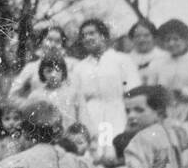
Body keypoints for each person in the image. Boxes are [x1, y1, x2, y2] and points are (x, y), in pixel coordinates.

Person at [71, 18, 138, 150]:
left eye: (92, 33)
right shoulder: (79, 68)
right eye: (84, 36)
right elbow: (76, 100)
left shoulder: (122, 60)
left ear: (103, 35)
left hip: (118, 115)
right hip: (91, 118)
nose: (87, 38)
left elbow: (134, 91)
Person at [16, 50, 82, 127]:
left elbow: (82, 118)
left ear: (63, 72)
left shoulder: (73, 93)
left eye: (57, 70)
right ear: (42, 73)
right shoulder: (35, 95)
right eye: (49, 71)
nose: (53, 75)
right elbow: (30, 121)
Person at [8, 24, 69, 100]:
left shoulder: (71, 66)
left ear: (62, 45)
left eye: (57, 41)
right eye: (49, 40)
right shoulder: (31, 67)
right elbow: (12, 95)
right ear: (41, 42)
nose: (53, 45)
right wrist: (29, 105)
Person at [149, 19, 188, 123]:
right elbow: (150, 88)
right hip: (164, 111)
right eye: (167, 40)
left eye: (176, 39)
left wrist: (182, 92)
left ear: (186, 40)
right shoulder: (157, 63)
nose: (171, 43)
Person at [128, 19, 169, 85]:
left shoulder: (165, 57)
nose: (142, 39)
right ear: (132, 38)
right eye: (137, 36)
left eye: (146, 35)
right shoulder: (126, 59)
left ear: (154, 37)